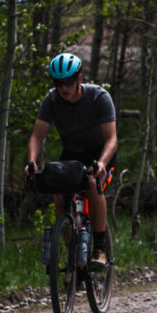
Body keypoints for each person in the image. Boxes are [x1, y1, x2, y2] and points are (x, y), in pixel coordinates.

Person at [25, 52, 119, 265]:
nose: (63, 89)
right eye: (58, 83)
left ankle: (100, 249)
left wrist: (102, 163)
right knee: (58, 195)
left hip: (101, 153)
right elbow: (37, 136)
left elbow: (112, 139)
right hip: (72, 155)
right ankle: (72, 256)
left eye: (67, 83)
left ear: (78, 79)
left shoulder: (99, 97)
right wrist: (31, 161)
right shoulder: (51, 100)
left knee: (93, 186)